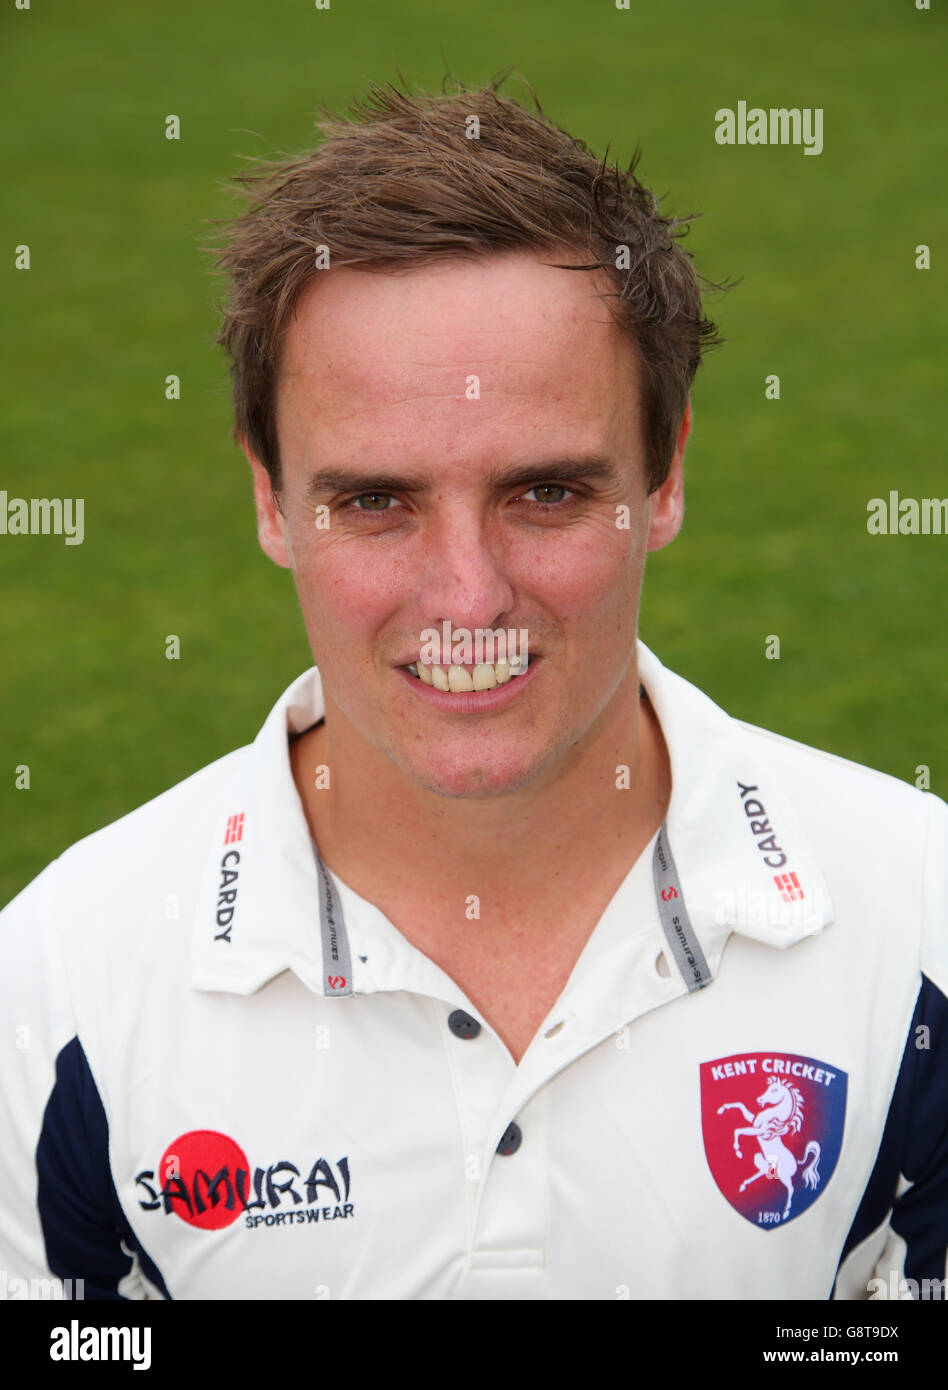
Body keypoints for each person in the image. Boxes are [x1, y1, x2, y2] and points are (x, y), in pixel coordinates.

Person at [0, 78, 944, 1302]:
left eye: (543, 492)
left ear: (662, 478)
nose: (467, 597)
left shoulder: (920, 922)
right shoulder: (57, 989)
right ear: (268, 499)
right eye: (376, 501)